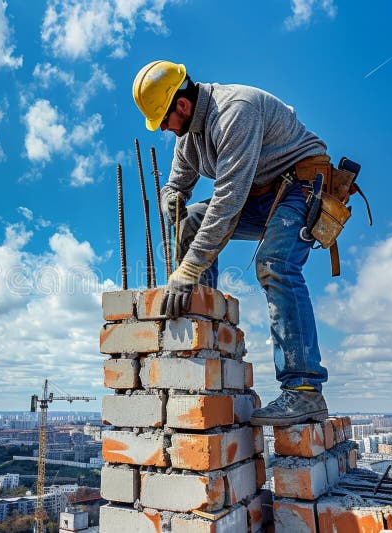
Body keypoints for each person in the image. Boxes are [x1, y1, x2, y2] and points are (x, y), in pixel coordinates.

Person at [132, 60, 330, 426]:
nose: (162, 128)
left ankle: (304, 390)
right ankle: (204, 334)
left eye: (163, 120)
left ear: (182, 105)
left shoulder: (235, 111)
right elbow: (176, 185)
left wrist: (187, 270)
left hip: (301, 186)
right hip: (260, 193)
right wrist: (169, 198)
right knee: (192, 219)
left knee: (275, 264)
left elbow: (227, 203)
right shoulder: (188, 139)